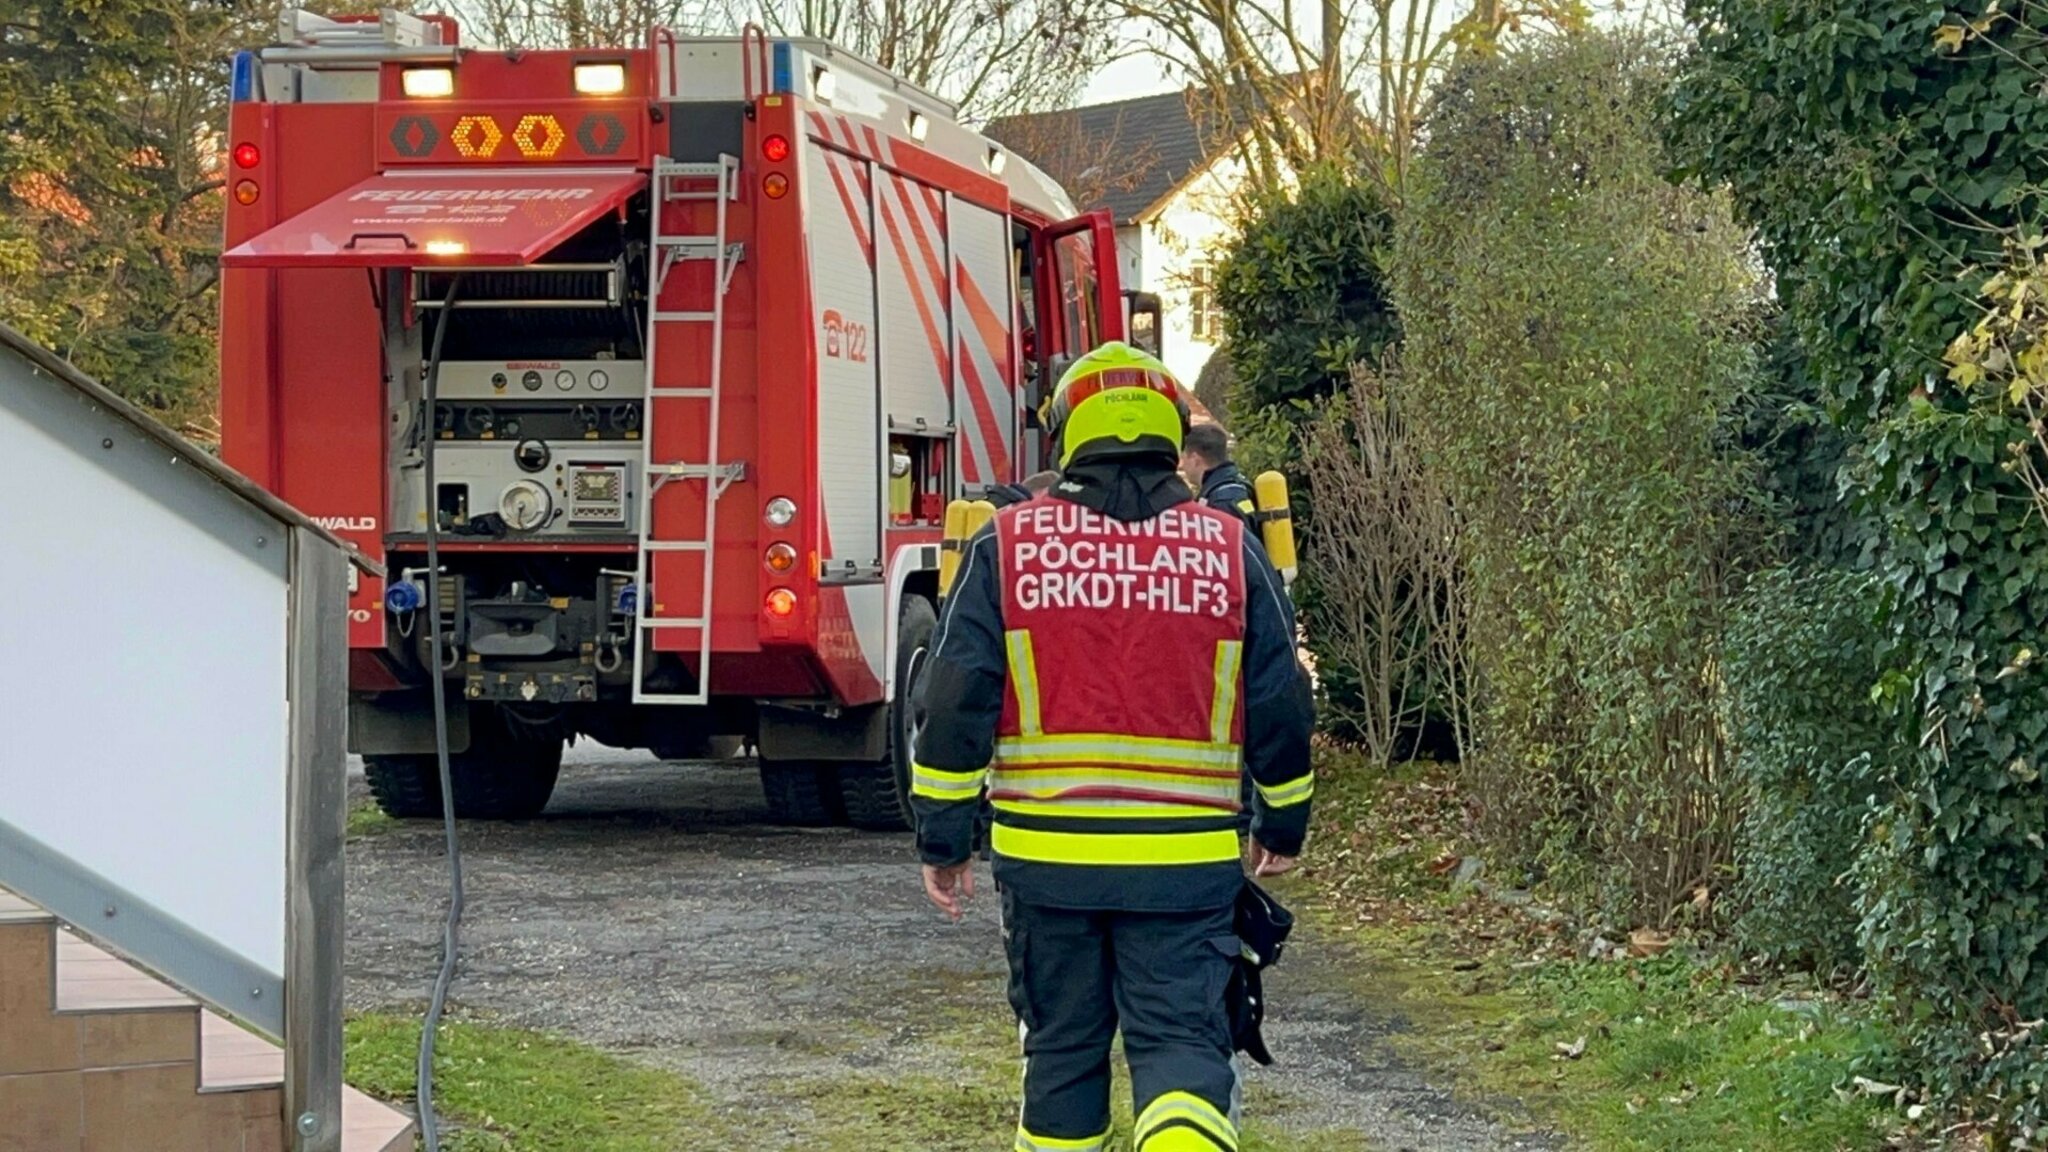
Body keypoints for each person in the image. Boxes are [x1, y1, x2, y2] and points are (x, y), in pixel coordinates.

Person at [911, 341, 1316, 1152]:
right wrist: (1282, 822)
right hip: (1184, 864)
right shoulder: (1227, 549)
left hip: (1045, 863)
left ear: (1066, 434)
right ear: (1171, 437)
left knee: (1061, 1057)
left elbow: (954, 704)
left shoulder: (1008, 546)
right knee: (1182, 1051)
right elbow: (1278, 698)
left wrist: (944, 838)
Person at [1180, 423, 1256, 533]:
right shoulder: (1233, 486)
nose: (1182, 465)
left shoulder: (1222, 502)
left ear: (1195, 459)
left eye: (1184, 458)